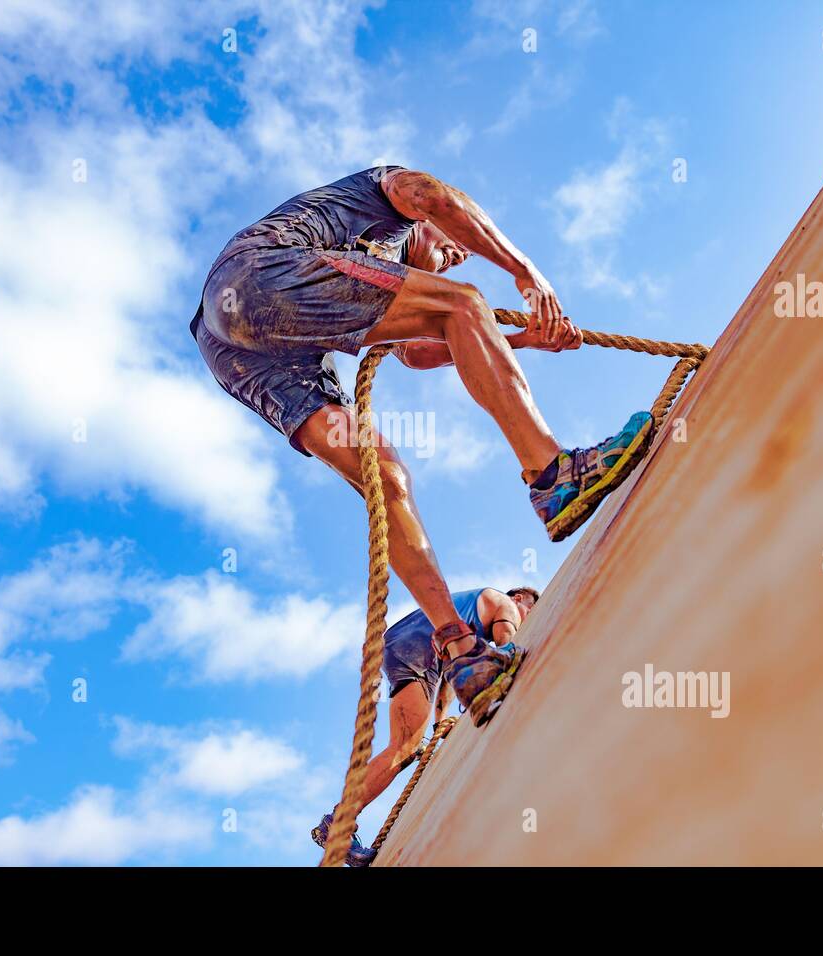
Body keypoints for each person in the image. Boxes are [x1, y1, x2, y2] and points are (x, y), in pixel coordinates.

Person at [191, 166, 650, 734]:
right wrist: (525, 274)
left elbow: (416, 351)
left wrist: (526, 338)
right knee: (463, 300)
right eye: (452, 247)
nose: (457, 254)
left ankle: (460, 651)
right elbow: (432, 199)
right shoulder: (386, 202)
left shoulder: (371, 284)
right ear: (425, 227)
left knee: (384, 476)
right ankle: (554, 473)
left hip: (237, 347)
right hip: (257, 275)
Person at [309, 586, 540, 866]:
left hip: (404, 649)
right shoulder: (505, 603)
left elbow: (445, 686)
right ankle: (338, 823)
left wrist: (438, 729)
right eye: (529, 609)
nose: (525, 617)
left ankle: (339, 820)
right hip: (418, 650)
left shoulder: (465, 622)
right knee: (403, 749)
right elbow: (507, 644)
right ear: (518, 599)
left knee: (404, 747)